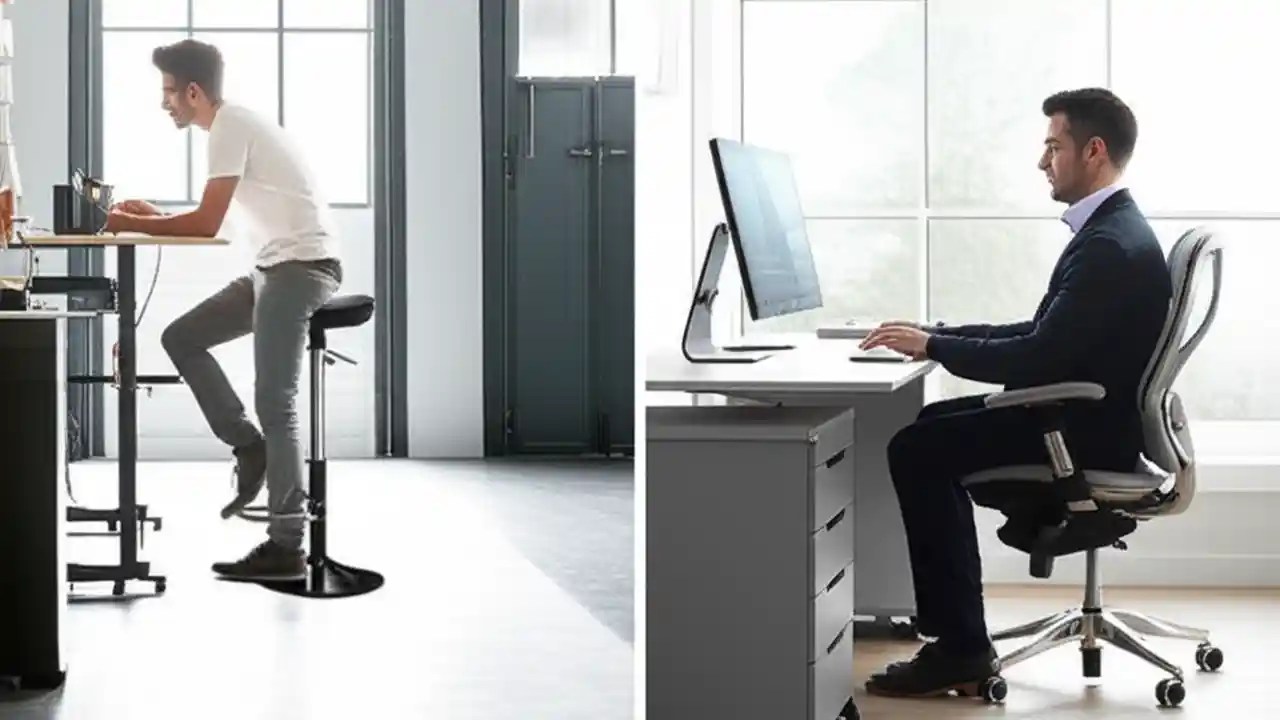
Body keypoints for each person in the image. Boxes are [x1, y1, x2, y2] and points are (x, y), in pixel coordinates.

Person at [856, 87, 1172, 698]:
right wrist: (937, 336)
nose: (1042, 160)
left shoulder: (1107, 246)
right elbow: (1041, 333)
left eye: (1054, 146)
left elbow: (1037, 354)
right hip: (1085, 415)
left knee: (917, 450)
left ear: (1094, 151)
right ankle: (959, 638)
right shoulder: (1114, 231)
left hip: (1078, 431)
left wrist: (935, 347)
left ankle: (960, 648)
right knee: (925, 432)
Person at [105, 39, 342, 581]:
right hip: (271, 268)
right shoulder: (234, 129)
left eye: (169, 92)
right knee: (181, 337)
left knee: (275, 399)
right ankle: (246, 446)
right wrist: (160, 216)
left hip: (302, 268)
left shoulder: (230, 126)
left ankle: (287, 543)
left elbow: (207, 225)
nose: (165, 103)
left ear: (193, 91)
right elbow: (222, 219)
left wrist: (134, 224)